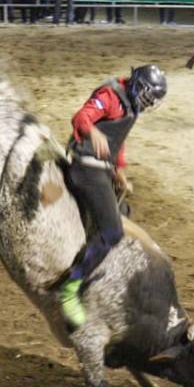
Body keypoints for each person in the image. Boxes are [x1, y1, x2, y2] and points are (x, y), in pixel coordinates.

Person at [58, 65, 167, 329]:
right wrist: (92, 132)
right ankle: (70, 289)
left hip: (102, 168)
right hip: (86, 166)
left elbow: (120, 138)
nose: (148, 103)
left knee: (124, 213)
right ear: (138, 86)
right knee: (113, 231)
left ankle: (91, 261)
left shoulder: (130, 105)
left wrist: (120, 170)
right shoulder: (109, 95)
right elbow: (81, 118)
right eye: (148, 96)